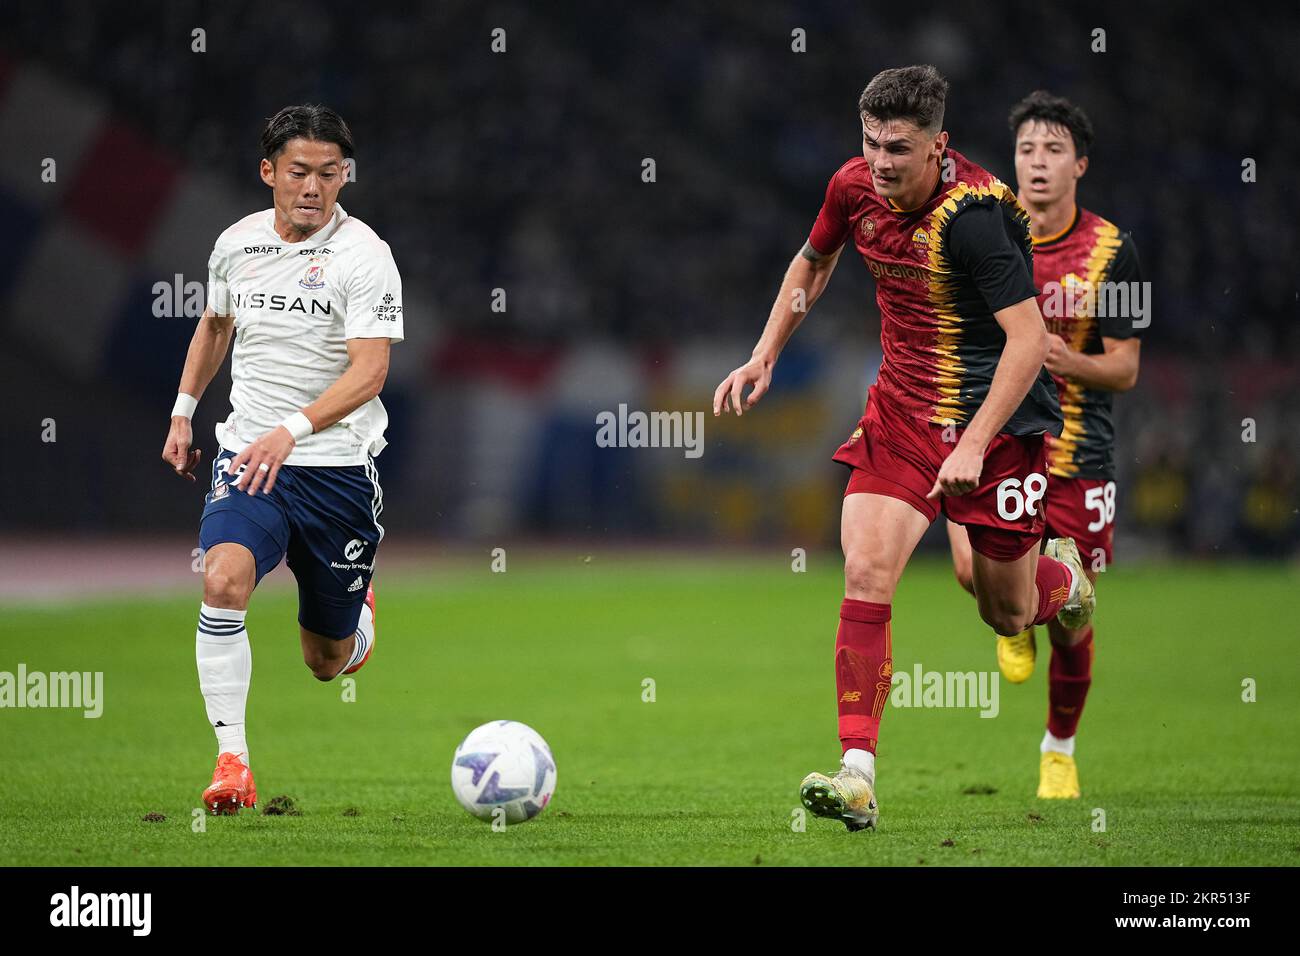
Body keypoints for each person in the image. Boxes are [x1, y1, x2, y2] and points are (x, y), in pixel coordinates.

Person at [713, 66, 1092, 831]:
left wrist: (976, 445)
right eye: (872, 142)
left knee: (1006, 612)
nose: (882, 161)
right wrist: (766, 352)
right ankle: (859, 775)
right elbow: (813, 263)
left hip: (997, 425)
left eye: (899, 148)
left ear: (938, 146)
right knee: (866, 567)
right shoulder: (853, 187)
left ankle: (1069, 584)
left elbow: (1030, 342)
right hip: (900, 415)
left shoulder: (977, 219)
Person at [160, 104, 404, 814]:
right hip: (248, 458)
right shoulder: (236, 243)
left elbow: (369, 374)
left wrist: (291, 431)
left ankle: (355, 618)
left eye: (330, 174)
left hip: (332, 471)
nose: (314, 187)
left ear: (344, 177)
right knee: (224, 583)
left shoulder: (365, 256)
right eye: (299, 171)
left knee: (325, 662)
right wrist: (183, 412)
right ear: (269, 171)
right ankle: (231, 761)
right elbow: (214, 326)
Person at [947, 91, 1143, 798]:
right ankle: (1014, 616)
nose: (1037, 162)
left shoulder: (1118, 252)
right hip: (995, 441)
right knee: (974, 576)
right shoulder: (985, 232)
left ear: (1079, 165)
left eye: (1053, 150)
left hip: (1079, 459)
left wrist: (1066, 362)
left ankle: (1058, 747)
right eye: (1027, 149)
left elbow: (1125, 366)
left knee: (1074, 620)